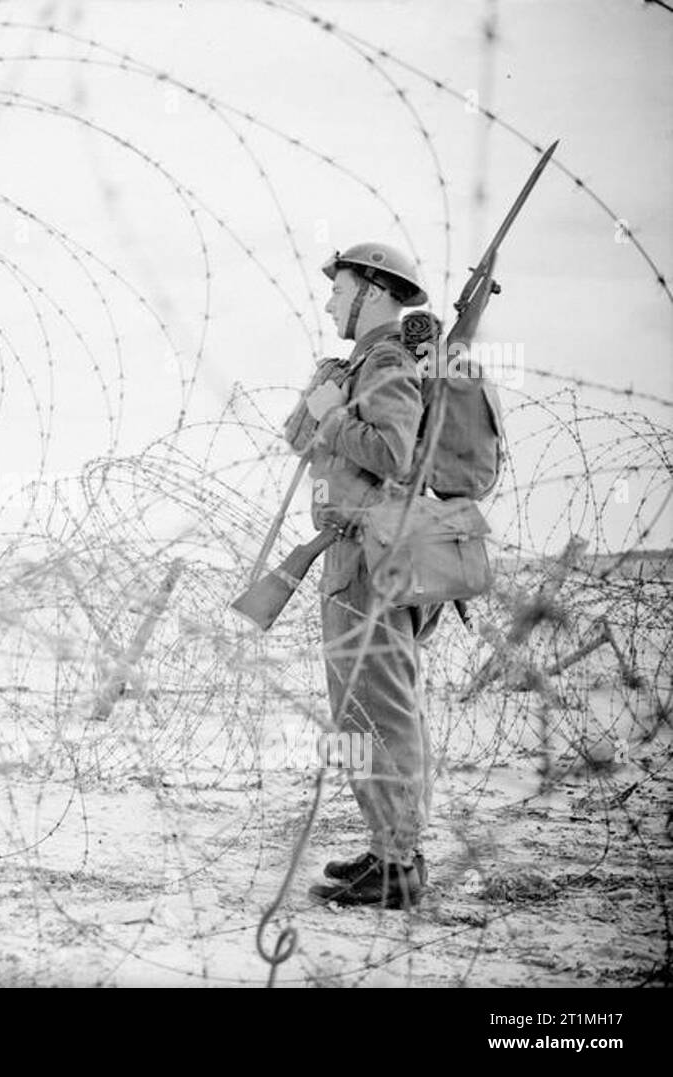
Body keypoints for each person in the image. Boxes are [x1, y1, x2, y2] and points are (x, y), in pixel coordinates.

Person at [287, 242, 441, 910]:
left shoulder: (385, 361)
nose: (328, 301)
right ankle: (387, 848)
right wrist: (323, 405)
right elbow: (298, 436)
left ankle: (400, 863)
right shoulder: (358, 365)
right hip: (351, 553)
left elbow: (393, 452)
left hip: (376, 555)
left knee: (381, 711)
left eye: (339, 287)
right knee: (360, 711)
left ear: (373, 291)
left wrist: (333, 415)